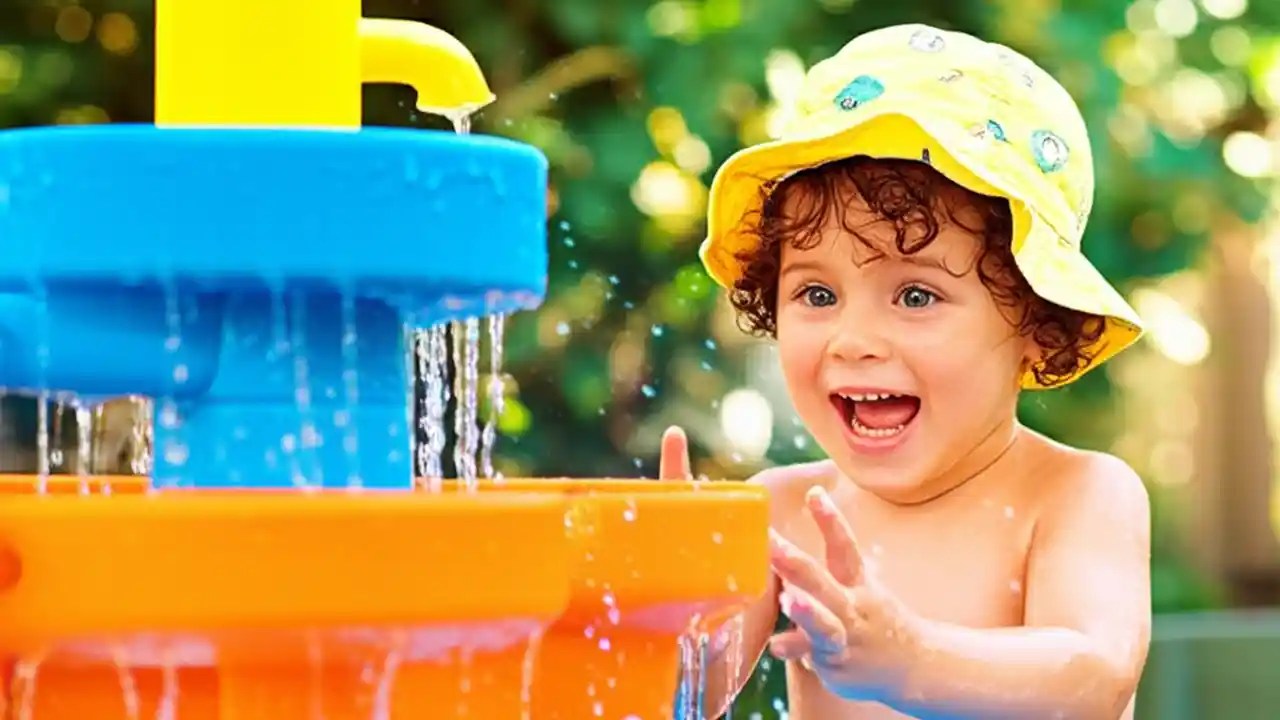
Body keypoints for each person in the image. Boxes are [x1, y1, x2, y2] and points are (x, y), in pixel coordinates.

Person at [659, 23, 1152, 719]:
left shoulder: (1075, 495)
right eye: (817, 295)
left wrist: (911, 659)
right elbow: (676, 698)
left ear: (1039, 329)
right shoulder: (781, 510)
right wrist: (662, 608)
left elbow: (1094, 676)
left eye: (916, 295)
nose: (852, 340)